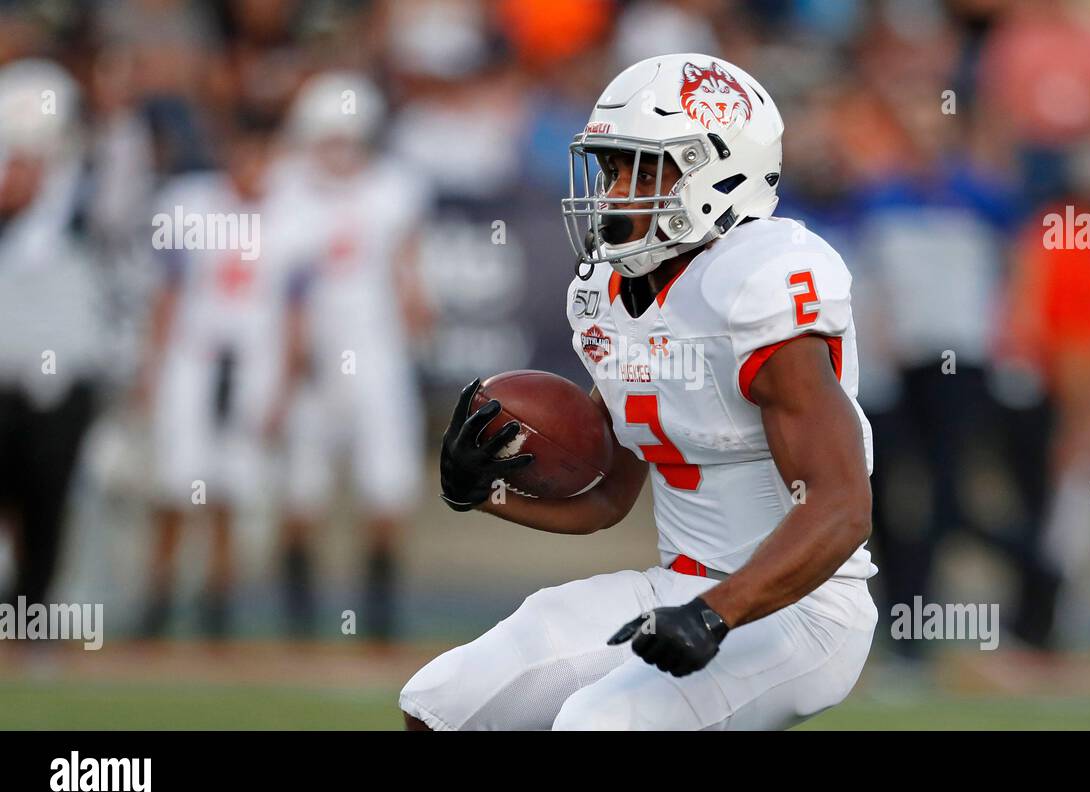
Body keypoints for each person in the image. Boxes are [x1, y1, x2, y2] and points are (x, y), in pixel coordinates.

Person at [400, 53, 878, 731]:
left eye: (643, 169)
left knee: (599, 723)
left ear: (720, 170)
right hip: (679, 587)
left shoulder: (759, 282)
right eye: (612, 167)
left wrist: (718, 611)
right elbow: (606, 497)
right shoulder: (610, 296)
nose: (615, 191)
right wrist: (487, 493)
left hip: (799, 607)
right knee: (442, 701)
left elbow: (840, 508)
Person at [268, 71, 432, 640]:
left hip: (376, 351)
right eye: (328, 138)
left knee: (386, 485)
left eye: (347, 138)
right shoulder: (287, 188)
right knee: (301, 489)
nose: (338, 151)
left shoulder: (392, 188)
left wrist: (416, 310)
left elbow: (408, 269)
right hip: (312, 358)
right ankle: (299, 623)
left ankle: (379, 616)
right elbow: (282, 286)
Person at [134, 110, 284, 638]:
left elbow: (295, 311)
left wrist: (283, 384)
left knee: (231, 488)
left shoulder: (293, 215)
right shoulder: (192, 206)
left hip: (252, 363)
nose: (252, 168)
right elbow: (167, 293)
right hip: (193, 357)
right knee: (177, 483)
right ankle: (158, 596)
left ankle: (218, 605)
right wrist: (151, 366)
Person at [0, 60, 103, 612]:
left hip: (64, 377)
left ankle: (31, 614)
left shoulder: (88, 196)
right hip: (5, 373)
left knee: (47, 503)